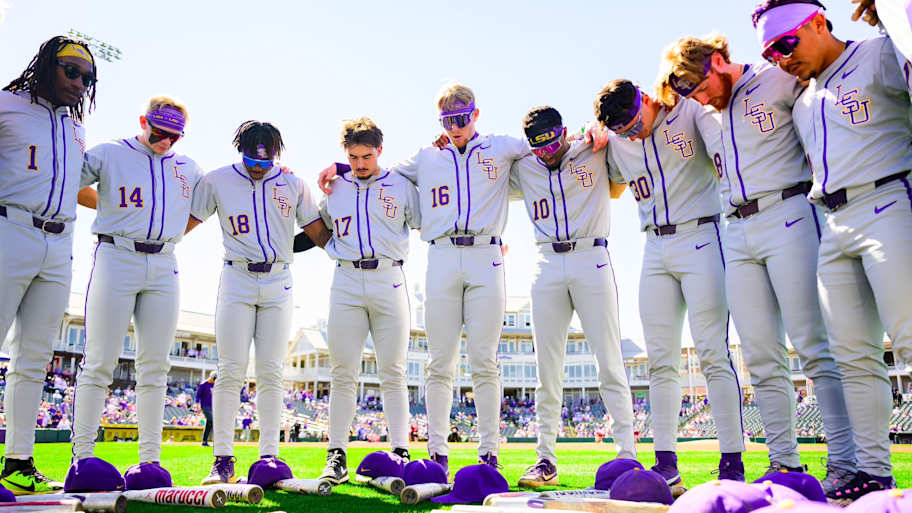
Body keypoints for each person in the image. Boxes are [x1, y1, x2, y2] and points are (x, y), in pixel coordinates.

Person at [658, 31, 857, 492]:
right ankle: (785, 463)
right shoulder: (706, 113)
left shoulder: (775, 79)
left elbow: (824, 95)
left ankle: (847, 463)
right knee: (762, 358)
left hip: (789, 209)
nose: (703, 98)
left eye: (703, 86)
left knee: (813, 346)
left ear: (719, 60)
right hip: (736, 229)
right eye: (692, 94)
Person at [319, 84, 528, 473]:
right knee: (439, 362)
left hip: (485, 252)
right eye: (448, 120)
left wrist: (590, 135)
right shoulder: (427, 156)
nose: (456, 126)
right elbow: (383, 176)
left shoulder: (502, 146)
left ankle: (488, 454)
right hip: (443, 253)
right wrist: (343, 168)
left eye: (462, 118)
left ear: (477, 115)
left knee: (485, 360)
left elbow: (544, 151)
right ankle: (437, 455)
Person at [751, 0, 912, 498]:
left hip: (889, 199)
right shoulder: (801, 98)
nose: (781, 58)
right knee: (853, 357)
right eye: (770, 52)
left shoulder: (880, 53)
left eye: (787, 43)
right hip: (833, 220)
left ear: (819, 23)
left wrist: (893, 12)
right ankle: (872, 472)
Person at [592, 79, 746, 486]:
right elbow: (610, 187)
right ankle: (666, 463)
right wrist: (592, 133)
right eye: (619, 129)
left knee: (713, 351)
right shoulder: (618, 137)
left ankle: (732, 461)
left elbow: (726, 151)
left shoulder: (688, 111)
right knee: (660, 360)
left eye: (630, 121)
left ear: (645, 98)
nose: (629, 131)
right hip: (654, 246)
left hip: (702, 234)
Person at [66, 95, 201, 491]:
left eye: (175, 136)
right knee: (99, 361)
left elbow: (208, 204)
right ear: (143, 120)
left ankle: (150, 462)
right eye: (160, 132)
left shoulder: (187, 167)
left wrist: (169, 232)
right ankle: (83, 458)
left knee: (156, 366)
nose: (166, 141)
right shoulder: (110, 152)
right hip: (116, 254)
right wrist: (110, 209)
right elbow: (66, 182)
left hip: (164, 262)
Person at [187, 121, 330, 485]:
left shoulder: (293, 183)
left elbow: (317, 233)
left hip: (279, 279)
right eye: (251, 159)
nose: (257, 167)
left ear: (277, 155)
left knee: (271, 372)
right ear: (241, 150)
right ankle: (222, 460)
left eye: (266, 161)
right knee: (230, 369)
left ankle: (269, 457)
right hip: (236, 277)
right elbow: (186, 222)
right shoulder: (217, 179)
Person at [509, 106, 635, 488]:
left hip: (591, 255)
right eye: (538, 145)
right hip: (546, 260)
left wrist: (599, 132)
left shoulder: (592, 147)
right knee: (547, 370)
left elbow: (622, 173)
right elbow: (483, 167)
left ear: (564, 131)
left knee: (609, 360)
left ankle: (627, 453)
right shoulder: (524, 164)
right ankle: (545, 458)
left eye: (552, 141)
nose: (547, 151)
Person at [0, 35, 96, 494]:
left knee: (34, 358)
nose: (80, 81)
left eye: (88, 76)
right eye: (71, 70)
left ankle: (18, 460)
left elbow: (77, 187)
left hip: (60, 242)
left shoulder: (75, 125)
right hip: (9, 228)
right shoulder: (6, 105)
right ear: (44, 64)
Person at [315, 118, 419, 484]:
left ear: (380, 151)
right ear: (345, 154)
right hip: (345, 278)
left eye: (367, 156)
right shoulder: (335, 186)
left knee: (394, 371)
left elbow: (424, 221)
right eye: (353, 157)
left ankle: (400, 451)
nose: (360, 164)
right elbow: (320, 225)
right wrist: (331, 248)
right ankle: (336, 454)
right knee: (343, 372)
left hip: (389, 276)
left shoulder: (402, 185)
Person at [197, 372, 216, 446]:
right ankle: (210, 440)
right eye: (214, 379)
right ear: (210, 377)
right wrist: (197, 405)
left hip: (213, 407)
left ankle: (204, 441)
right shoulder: (203, 384)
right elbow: (198, 396)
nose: (214, 381)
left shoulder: (215, 385)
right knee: (211, 420)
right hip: (205, 406)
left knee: (209, 423)